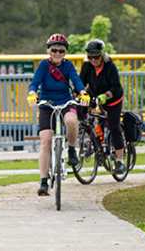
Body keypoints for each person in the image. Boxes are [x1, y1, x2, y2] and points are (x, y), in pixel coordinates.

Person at [28, 34, 90, 196]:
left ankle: (71, 150)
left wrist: (83, 93)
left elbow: (76, 80)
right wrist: (32, 94)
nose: (57, 53)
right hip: (46, 104)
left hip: (65, 102)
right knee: (46, 142)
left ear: (65, 52)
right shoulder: (43, 65)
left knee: (71, 121)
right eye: (54, 50)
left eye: (61, 51)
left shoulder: (68, 65)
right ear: (49, 51)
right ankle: (43, 182)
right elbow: (35, 82)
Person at [78, 39, 126, 174]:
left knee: (114, 126)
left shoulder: (109, 66)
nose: (93, 60)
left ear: (102, 55)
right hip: (94, 95)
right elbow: (81, 83)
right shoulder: (87, 66)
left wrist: (106, 96)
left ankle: (120, 161)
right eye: (90, 57)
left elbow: (116, 86)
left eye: (96, 57)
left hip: (112, 99)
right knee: (85, 114)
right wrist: (77, 94)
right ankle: (94, 142)